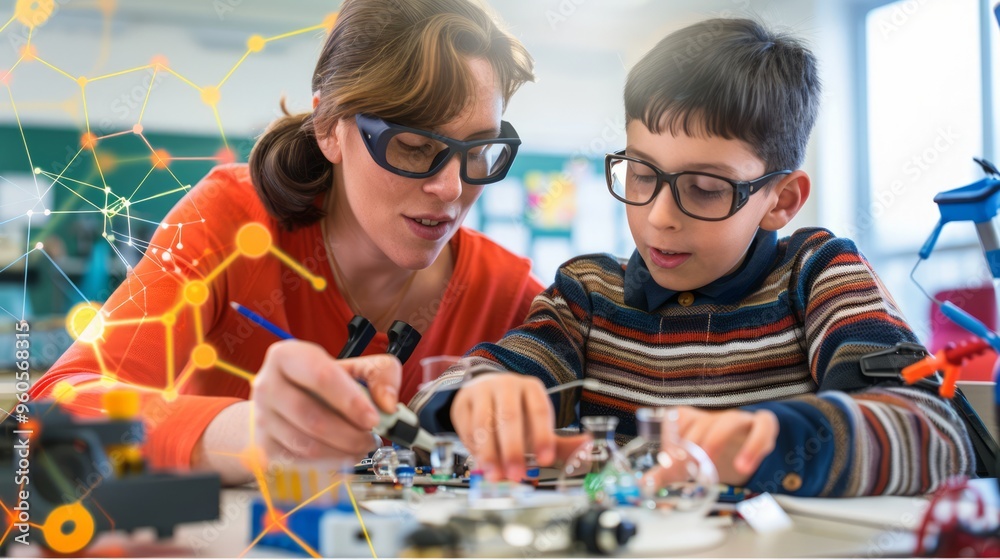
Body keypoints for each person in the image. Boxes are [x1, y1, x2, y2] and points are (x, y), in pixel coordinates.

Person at [412, 18, 974, 496]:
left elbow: (938, 434)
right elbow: (438, 399)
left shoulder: (817, 274)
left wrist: (770, 442)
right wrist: (479, 397)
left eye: (705, 188)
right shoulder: (587, 295)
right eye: (641, 173)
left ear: (781, 200)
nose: (659, 216)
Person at [32, 0, 542, 485]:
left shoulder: (508, 292)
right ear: (328, 128)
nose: (453, 188)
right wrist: (253, 435)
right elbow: (57, 403)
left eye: (480, 149)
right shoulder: (232, 224)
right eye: (413, 146)